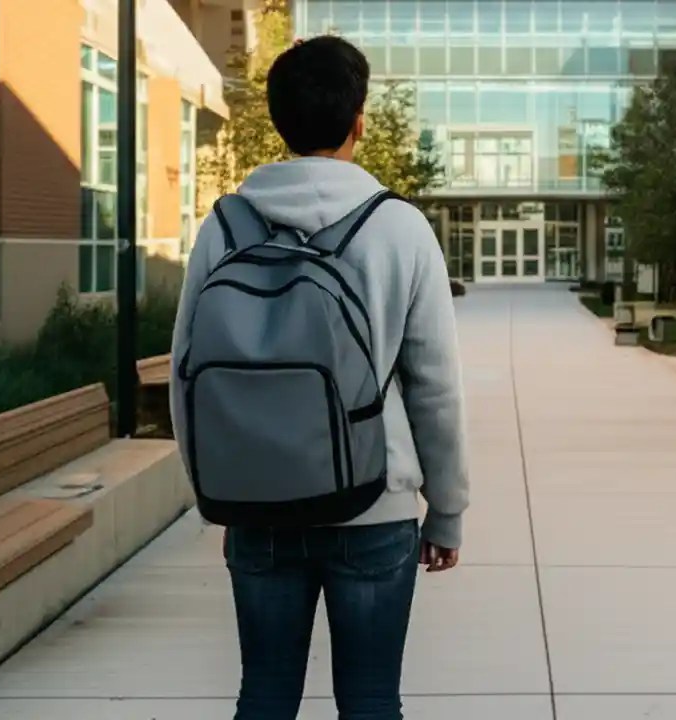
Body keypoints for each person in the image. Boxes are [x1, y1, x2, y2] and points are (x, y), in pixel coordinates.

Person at [168, 35, 469, 720]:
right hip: (376, 505)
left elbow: (187, 374)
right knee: (370, 700)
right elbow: (436, 386)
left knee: (265, 695)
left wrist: (221, 493)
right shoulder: (400, 226)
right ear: (359, 121)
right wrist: (447, 509)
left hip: (260, 505)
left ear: (279, 121)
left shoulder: (225, 227)